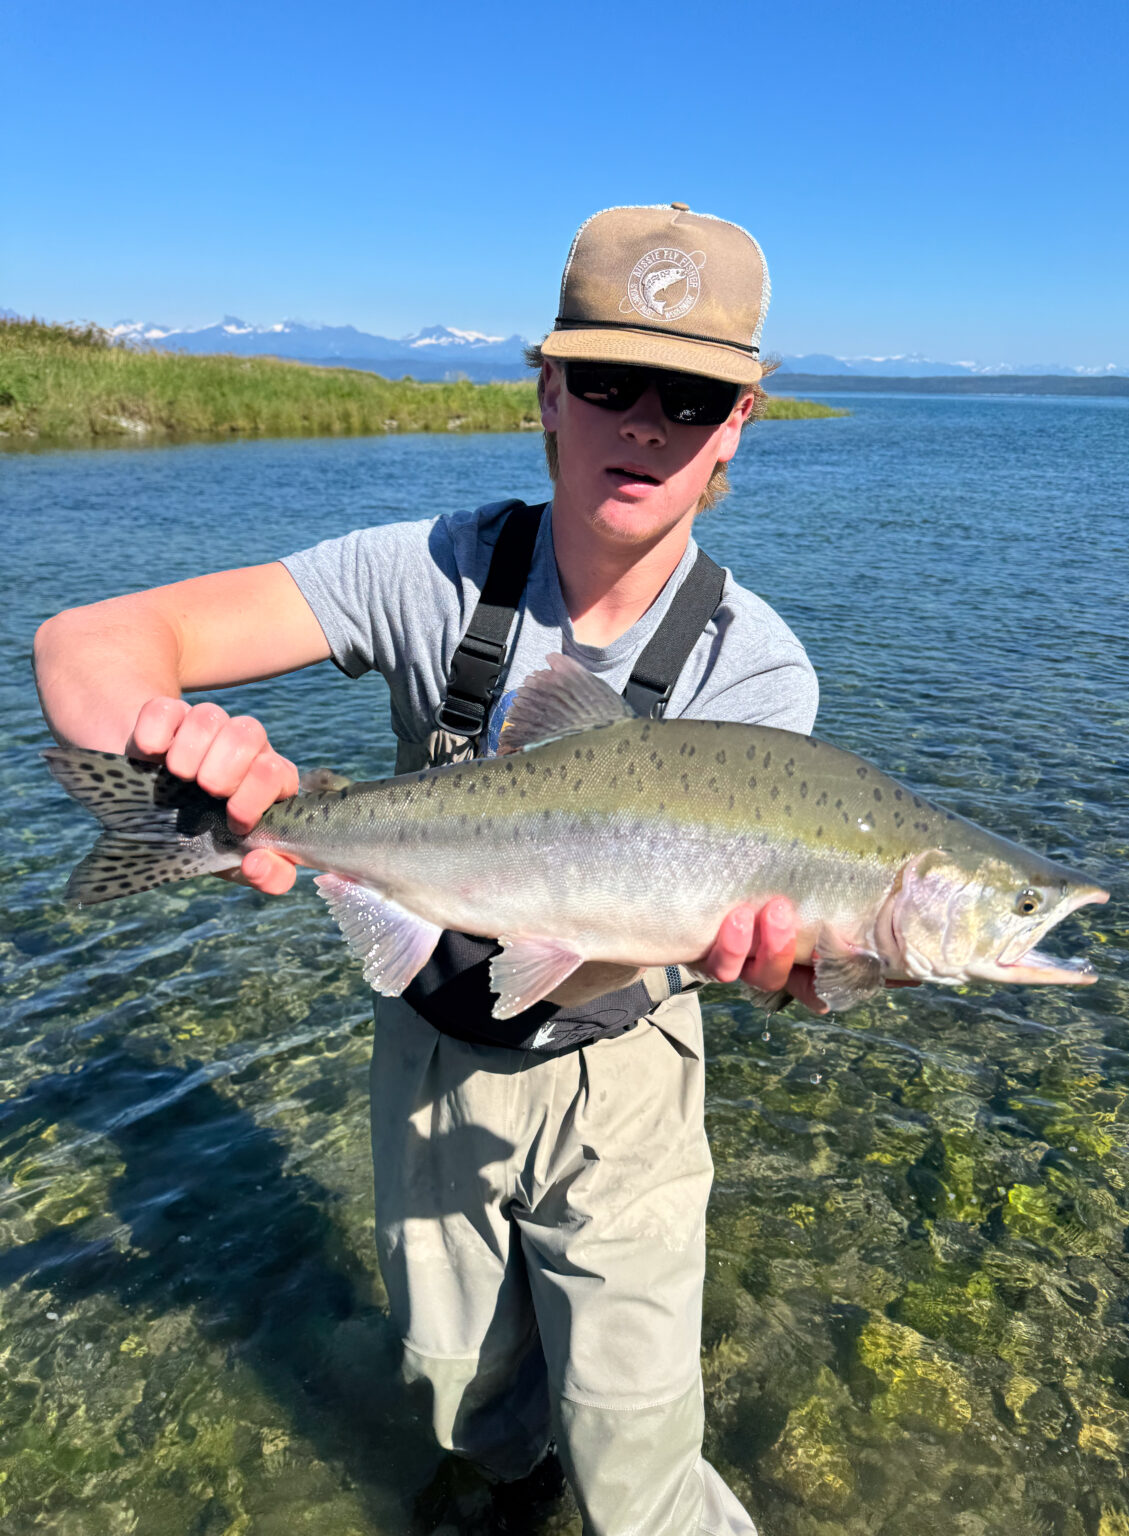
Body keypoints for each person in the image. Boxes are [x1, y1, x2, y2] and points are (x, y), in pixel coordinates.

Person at [35, 203, 823, 1535]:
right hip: (426, 1045)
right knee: (463, 1399)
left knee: (641, 1465)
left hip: (623, 1070)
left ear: (737, 420)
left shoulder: (761, 671)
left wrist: (808, 972)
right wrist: (181, 753)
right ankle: (515, 1483)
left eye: (686, 395)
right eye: (608, 378)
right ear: (548, 391)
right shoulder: (435, 569)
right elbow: (86, 641)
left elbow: (766, 946)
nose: (643, 421)